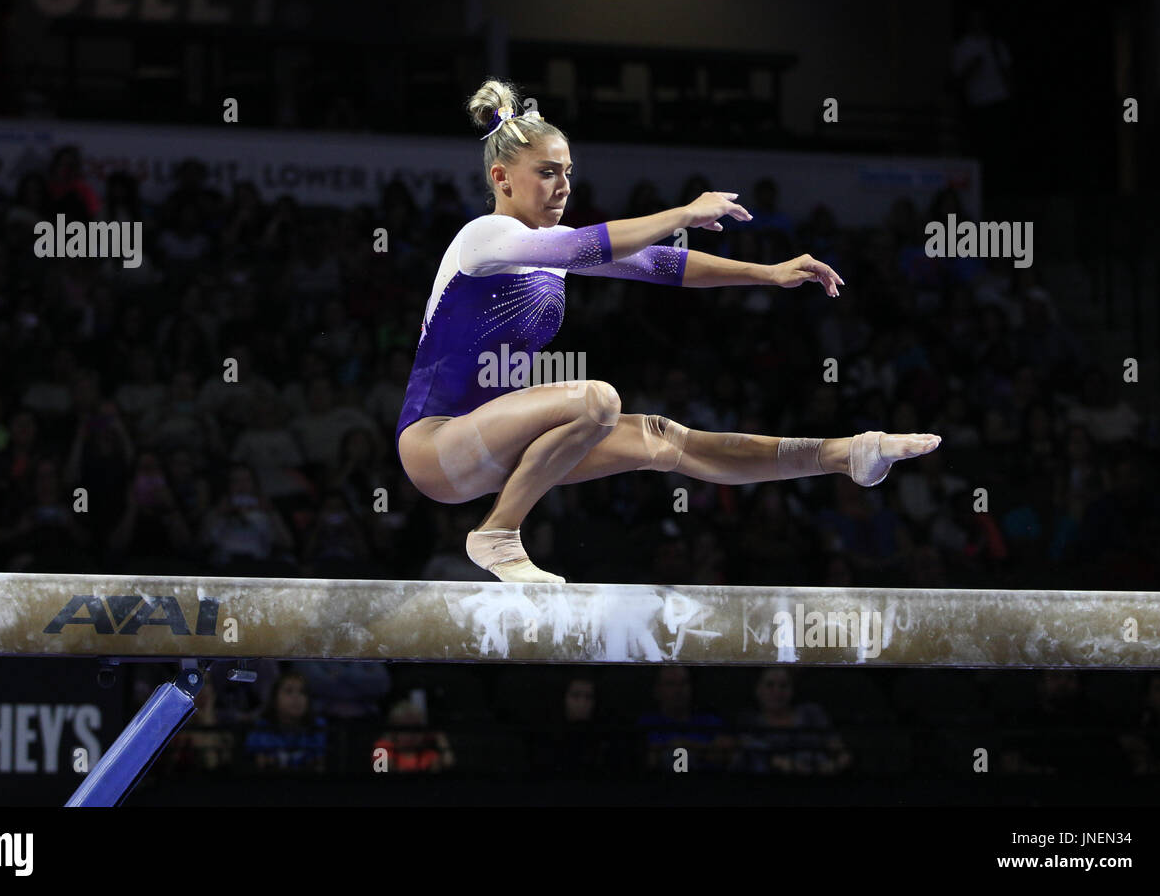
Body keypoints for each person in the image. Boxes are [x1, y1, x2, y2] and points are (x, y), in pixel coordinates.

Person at [395, 78, 941, 583]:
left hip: (502, 450)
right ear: (501, 177)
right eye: (546, 172)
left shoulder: (547, 252)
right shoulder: (485, 236)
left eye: (567, 172)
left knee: (662, 439)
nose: (563, 186)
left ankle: (844, 454)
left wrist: (767, 273)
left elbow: (660, 264)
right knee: (595, 401)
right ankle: (497, 535)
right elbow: (587, 246)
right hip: (437, 443)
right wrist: (683, 210)